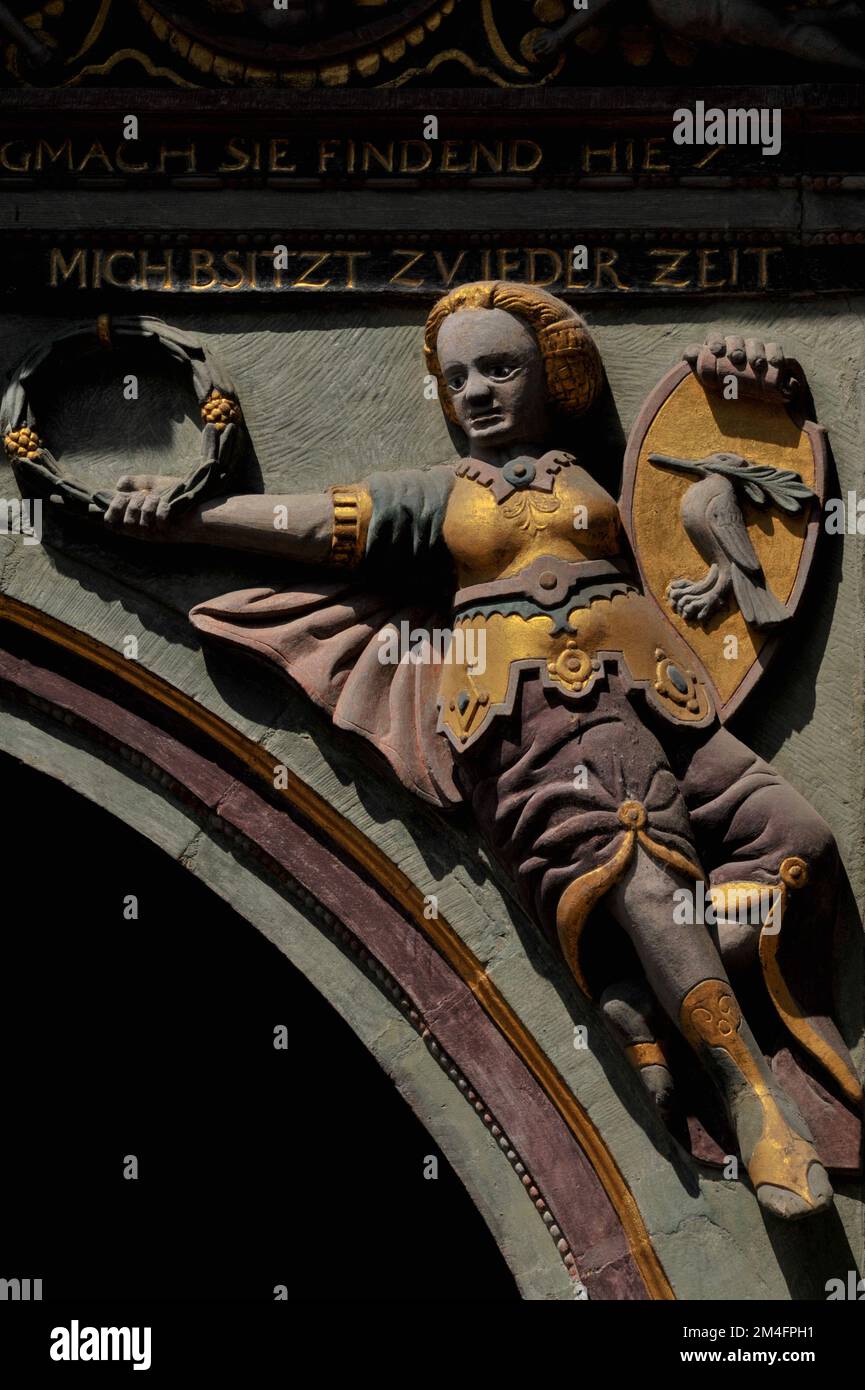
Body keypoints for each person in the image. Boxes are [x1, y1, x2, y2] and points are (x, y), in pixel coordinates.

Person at [105, 281, 861, 1219]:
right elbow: (323, 521)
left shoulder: (600, 469)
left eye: (500, 367)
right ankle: (755, 1102)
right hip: (532, 715)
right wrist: (194, 521)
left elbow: (719, 465)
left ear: (555, 377)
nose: (474, 391)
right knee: (640, 867)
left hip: (661, 702)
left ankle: (642, 979)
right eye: (456, 376)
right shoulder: (449, 496)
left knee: (798, 846)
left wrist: (748, 375)